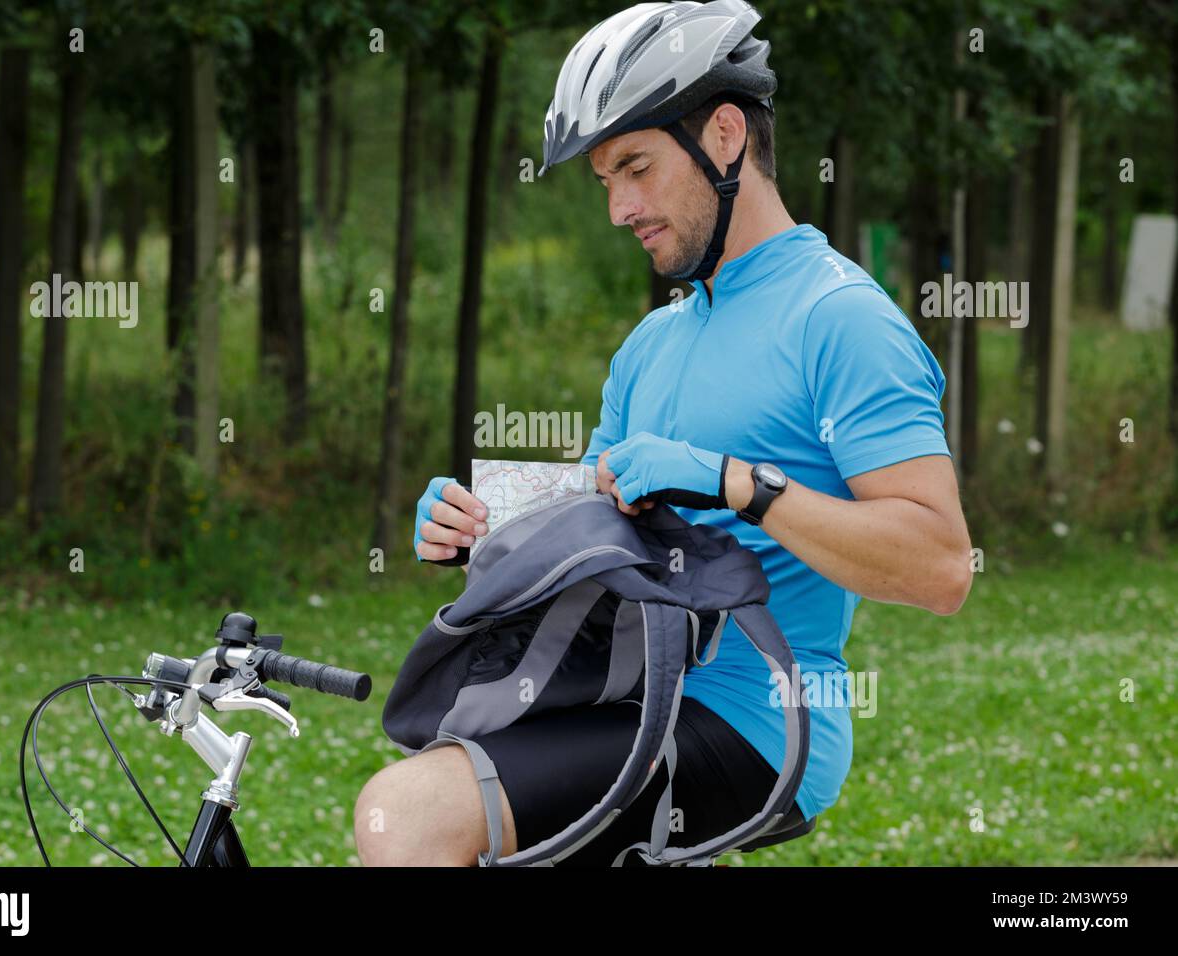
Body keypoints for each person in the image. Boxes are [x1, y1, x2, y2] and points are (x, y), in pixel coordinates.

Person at [355, 0, 973, 867]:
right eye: (605, 179)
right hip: (627, 688)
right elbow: (604, 535)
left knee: (407, 816)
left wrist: (735, 481)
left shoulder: (841, 320)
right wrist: (483, 529)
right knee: (434, 775)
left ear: (724, 136)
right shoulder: (653, 342)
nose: (618, 208)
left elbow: (941, 567)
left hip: (758, 720)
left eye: (635, 168)